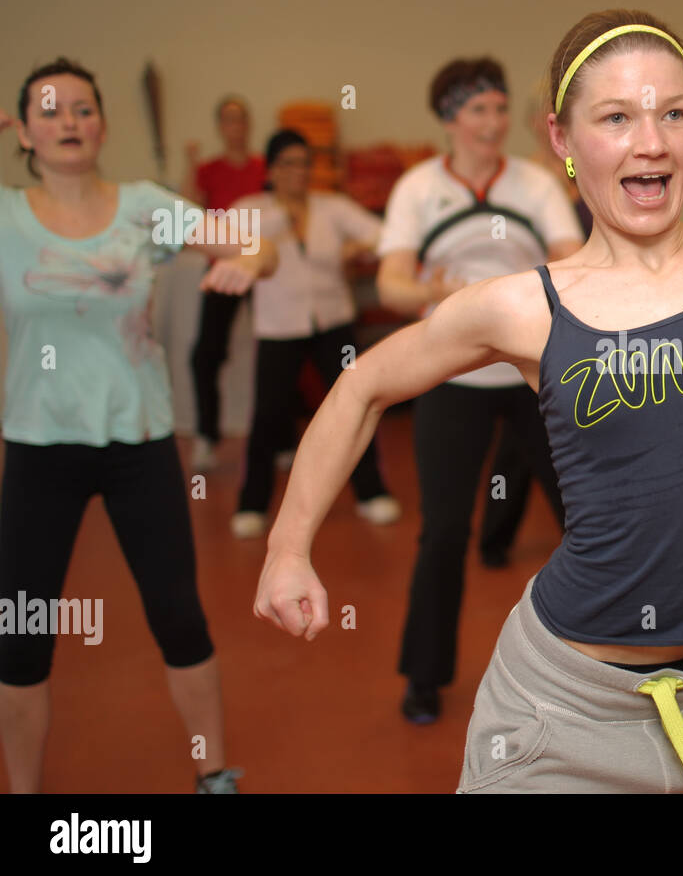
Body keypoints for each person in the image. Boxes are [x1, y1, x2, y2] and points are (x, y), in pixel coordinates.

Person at [256, 0, 683, 792]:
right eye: (616, 118)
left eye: (673, 112)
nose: (651, 143)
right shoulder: (526, 306)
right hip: (564, 711)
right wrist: (289, 546)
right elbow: (363, 383)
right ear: (561, 137)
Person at [0, 58, 277, 793]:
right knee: (20, 641)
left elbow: (255, 238)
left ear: (103, 123)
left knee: (179, 619)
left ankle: (213, 775)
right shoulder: (4, 216)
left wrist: (250, 263)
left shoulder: (143, 205)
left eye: (83, 108)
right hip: (37, 449)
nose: (68, 121)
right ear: (22, 129)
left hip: (139, 444)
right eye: (50, 110)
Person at [374, 57, 580, 724]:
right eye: (477, 110)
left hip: (531, 371)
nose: (492, 122)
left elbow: (575, 265)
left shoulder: (537, 185)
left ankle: (604, 666)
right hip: (452, 374)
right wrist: (442, 294)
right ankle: (424, 677)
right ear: (448, 119)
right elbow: (390, 285)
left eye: (499, 109)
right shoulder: (415, 189)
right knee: (442, 532)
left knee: (587, 522)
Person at [230, 129, 401, 539]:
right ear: (271, 169)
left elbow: (384, 234)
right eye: (288, 163)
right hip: (278, 326)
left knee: (354, 403)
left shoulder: (332, 207)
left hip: (332, 320)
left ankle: (370, 491)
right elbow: (229, 241)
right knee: (269, 414)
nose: (298, 172)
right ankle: (252, 503)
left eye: (304, 163)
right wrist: (280, 221)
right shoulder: (252, 210)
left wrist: (355, 248)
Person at [475, 99, 596, 569]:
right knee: (527, 438)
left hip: (588, 315)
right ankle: (498, 538)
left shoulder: (591, 169)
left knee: (559, 432)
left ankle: (584, 536)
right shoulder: (524, 180)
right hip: (538, 322)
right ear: (536, 124)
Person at [184, 96, 266, 471]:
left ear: (248, 125)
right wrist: (189, 164)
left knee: (277, 351)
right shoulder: (208, 169)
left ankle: (278, 439)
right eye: (228, 120)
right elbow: (187, 212)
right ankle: (206, 435)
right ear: (220, 126)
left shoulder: (262, 169)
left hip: (262, 268)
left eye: (241, 119)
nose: (236, 126)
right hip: (222, 269)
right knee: (206, 354)